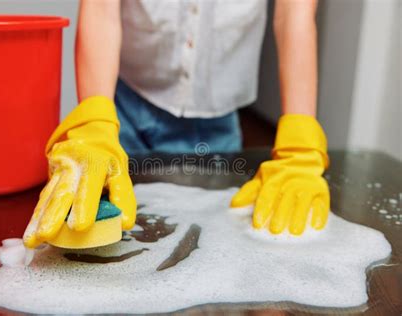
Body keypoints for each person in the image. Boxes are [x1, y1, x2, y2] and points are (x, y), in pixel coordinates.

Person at [23, 0, 330, 249]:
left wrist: (298, 144)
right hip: (123, 110)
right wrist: (94, 118)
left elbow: (295, 14)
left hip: (216, 124)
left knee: (207, 249)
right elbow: (101, 8)